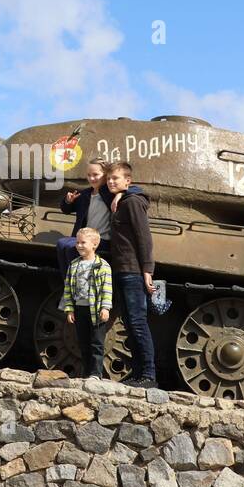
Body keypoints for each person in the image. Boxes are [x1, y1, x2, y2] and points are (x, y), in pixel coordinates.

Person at [107, 161, 157, 387]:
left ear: (128, 181)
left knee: (137, 323)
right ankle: (138, 374)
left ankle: (148, 375)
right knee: (129, 322)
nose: (110, 181)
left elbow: (143, 236)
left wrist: (147, 270)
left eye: (115, 178)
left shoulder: (134, 202)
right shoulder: (124, 200)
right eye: (109, 178)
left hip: (133, 271)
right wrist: (120, 195)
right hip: (122, 269)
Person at [56, 158, 142, 275]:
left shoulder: (110, 193)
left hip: (102, 240)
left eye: (96, 175)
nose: (92, 178)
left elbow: (137, 190)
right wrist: (68, 201)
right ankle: (68, 280)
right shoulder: (85, 194)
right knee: (62, 243)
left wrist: (120, 194)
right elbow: (66, 209)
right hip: (85, 237)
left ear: (105, 175)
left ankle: (76, 279)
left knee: (72, 247)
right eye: (89, 175)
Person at [62, 227, 112, 379]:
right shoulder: (74, 265)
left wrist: (105, 307)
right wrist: (69, 309)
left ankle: (96, 374)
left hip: (96, 310)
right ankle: (86, 372)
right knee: (83, 343)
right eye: (77, 242)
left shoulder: (103, 266)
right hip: (80, 308)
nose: (79, 245)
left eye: (83, 242)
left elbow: (107, 289)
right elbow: (69, 289)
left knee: (96, 343)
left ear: (95, 244)